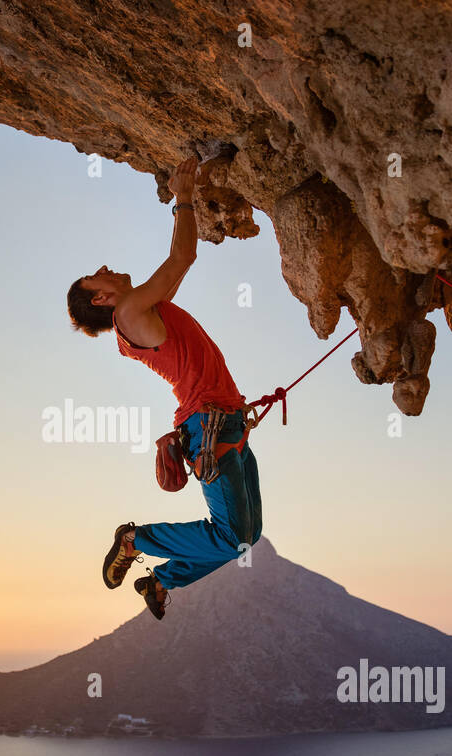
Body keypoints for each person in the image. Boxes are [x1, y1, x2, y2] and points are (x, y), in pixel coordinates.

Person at [66, 157, 262, 620]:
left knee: (245, 538)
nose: (107, 266)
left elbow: (178, 267)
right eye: (97, 273)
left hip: (223, 422)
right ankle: (137, 540)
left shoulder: (142, 312)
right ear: (100, 298)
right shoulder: (128, 312)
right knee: (232, 537)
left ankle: (160, 578)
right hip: (208, 425)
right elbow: (182, 258)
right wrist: (184, 196)